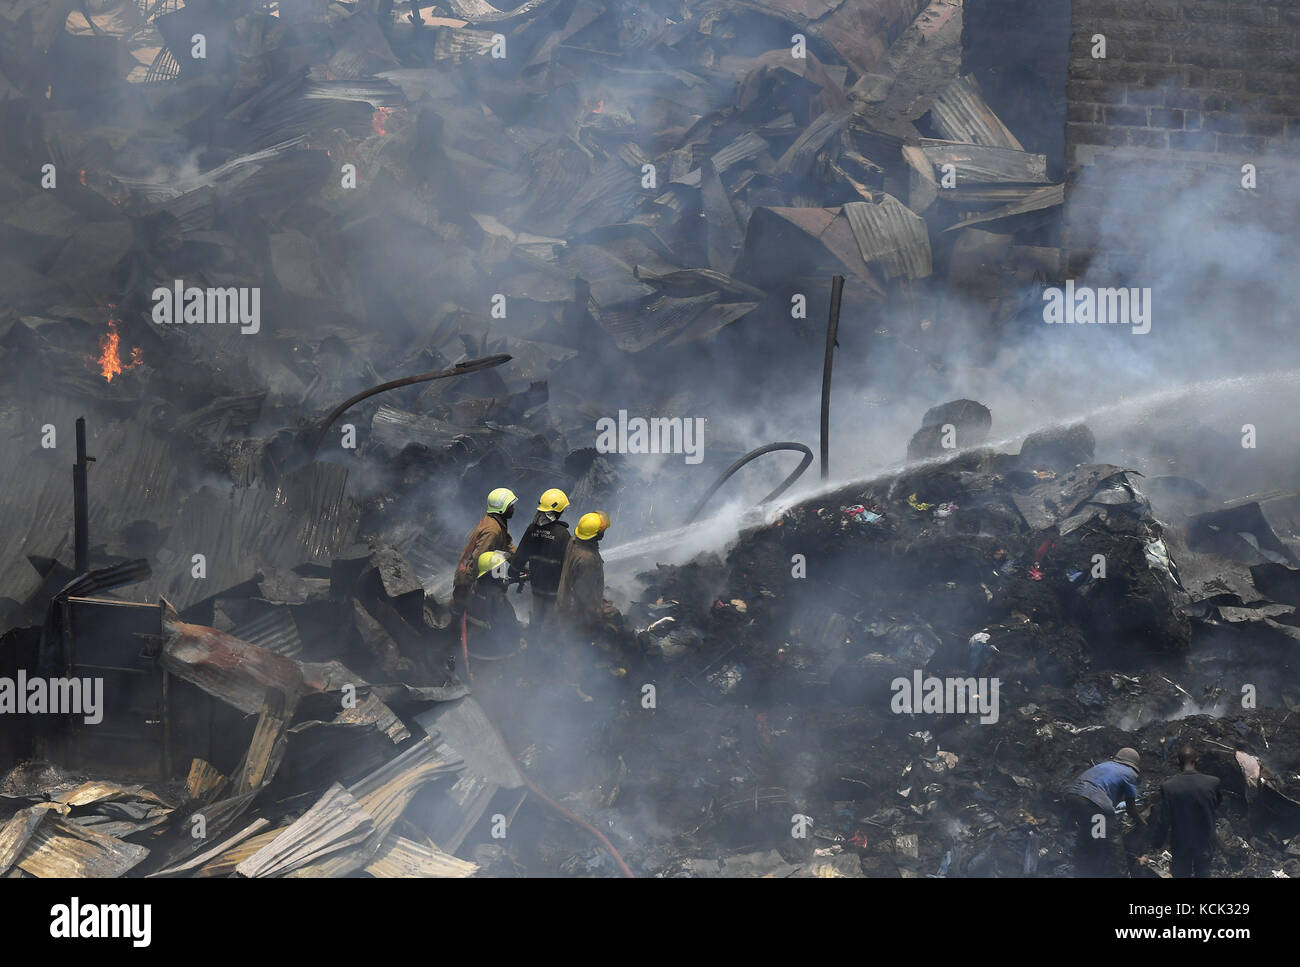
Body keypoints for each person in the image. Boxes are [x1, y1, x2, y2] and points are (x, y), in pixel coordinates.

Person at [1064, 747, 1144, 877]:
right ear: (1134, 764)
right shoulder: (1130, 774)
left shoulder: (1105, 765)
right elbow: (1131, 808)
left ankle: (1081, 871)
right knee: (1112, 840)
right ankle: (1121, 874)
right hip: (1094, 803)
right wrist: (1142, 823)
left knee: (1088, 834)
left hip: (1073, 797)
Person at [1151, 746, 1222, 878]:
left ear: (1178, 763)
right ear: (1197, 761)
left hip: (1181, 843)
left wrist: (1157, 842)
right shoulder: (1213, 783)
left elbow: (1164, 819)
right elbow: (1216, 804)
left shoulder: (1168, 787)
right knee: (1203, 873)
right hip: (1205, 841)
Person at [451, 488, 517, 617]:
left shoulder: (496, 524)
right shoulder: (492, 531)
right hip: (471, 581)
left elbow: (509, 547)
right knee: (476, 618)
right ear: (502, 508)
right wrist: (468, 587)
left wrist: (522, 565)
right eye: (510, 506)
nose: (513, 509)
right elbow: (477, 560)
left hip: (480, 579)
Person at [510, 488, 571, 629]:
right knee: (550, 623)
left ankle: (533, 641)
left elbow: (521, 554)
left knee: (537, 616)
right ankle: (545, 646)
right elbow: (568, 564)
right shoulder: (563, 534)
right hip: (555, 590)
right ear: (559, 512)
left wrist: (513, 572)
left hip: (536, 586)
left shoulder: (532, 529)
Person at [556, 511, 623, 637]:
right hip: (577, 617)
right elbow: (586, 596)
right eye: (601, 530)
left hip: (565, 605)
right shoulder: (587, 560)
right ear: (595, 535)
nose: (603, 532)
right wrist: (599, 616)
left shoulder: (573, 541)